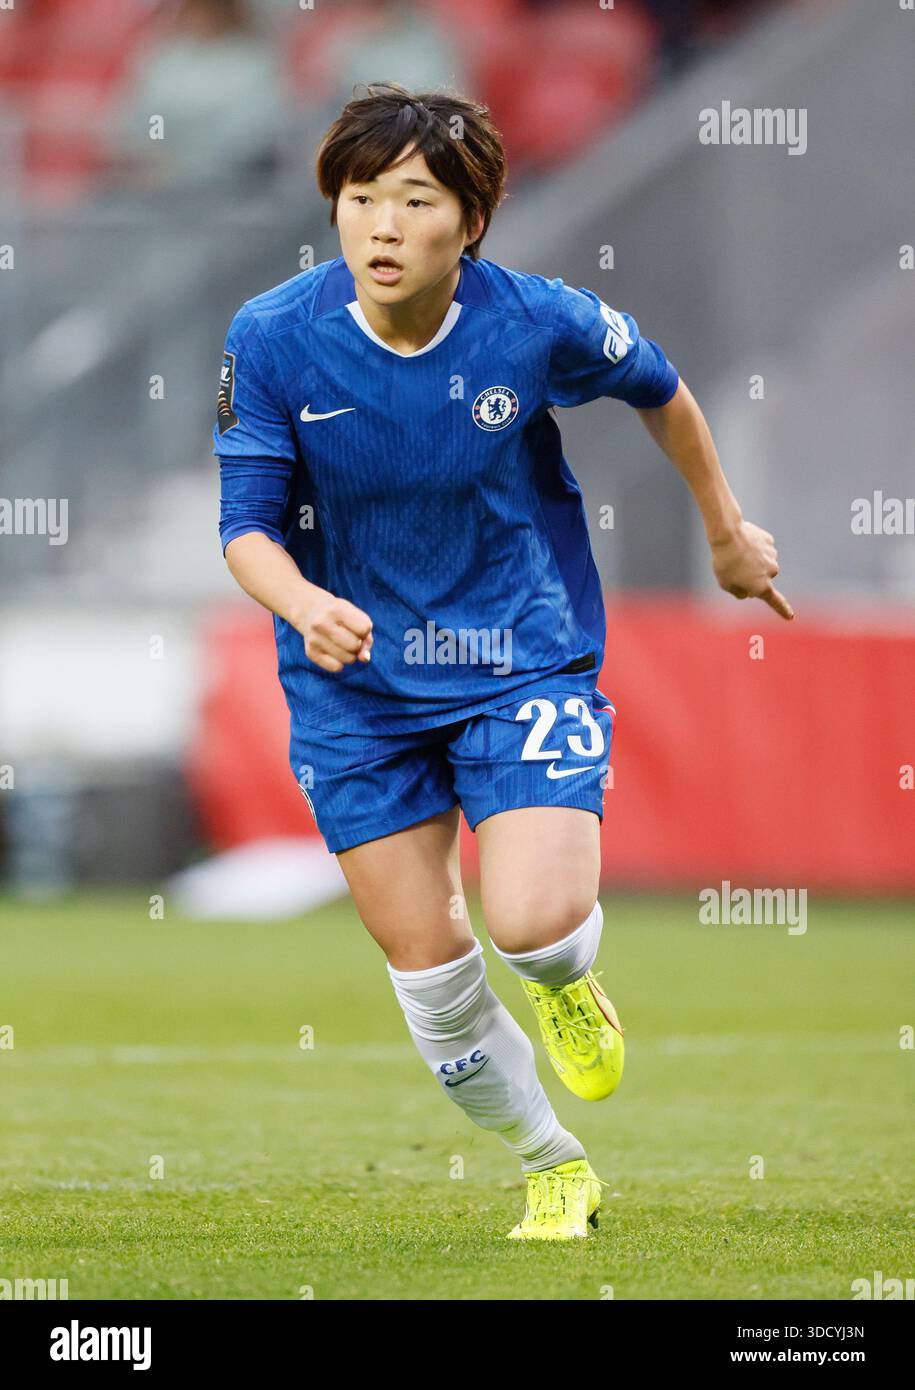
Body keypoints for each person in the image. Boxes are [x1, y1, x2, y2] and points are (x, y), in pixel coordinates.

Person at [214, 82, 792, 1241]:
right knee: (429, 976)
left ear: (470, 222)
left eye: (413, 200)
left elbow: (663, 389)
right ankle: (551, 1161)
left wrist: (727, 530)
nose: (381, 224)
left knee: (530, 921)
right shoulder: (273, 335)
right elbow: (246, 525)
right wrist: (304, 600)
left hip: (514, 655)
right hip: (354, 686)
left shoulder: (537, 321)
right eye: (360, 197)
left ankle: (567, 988)